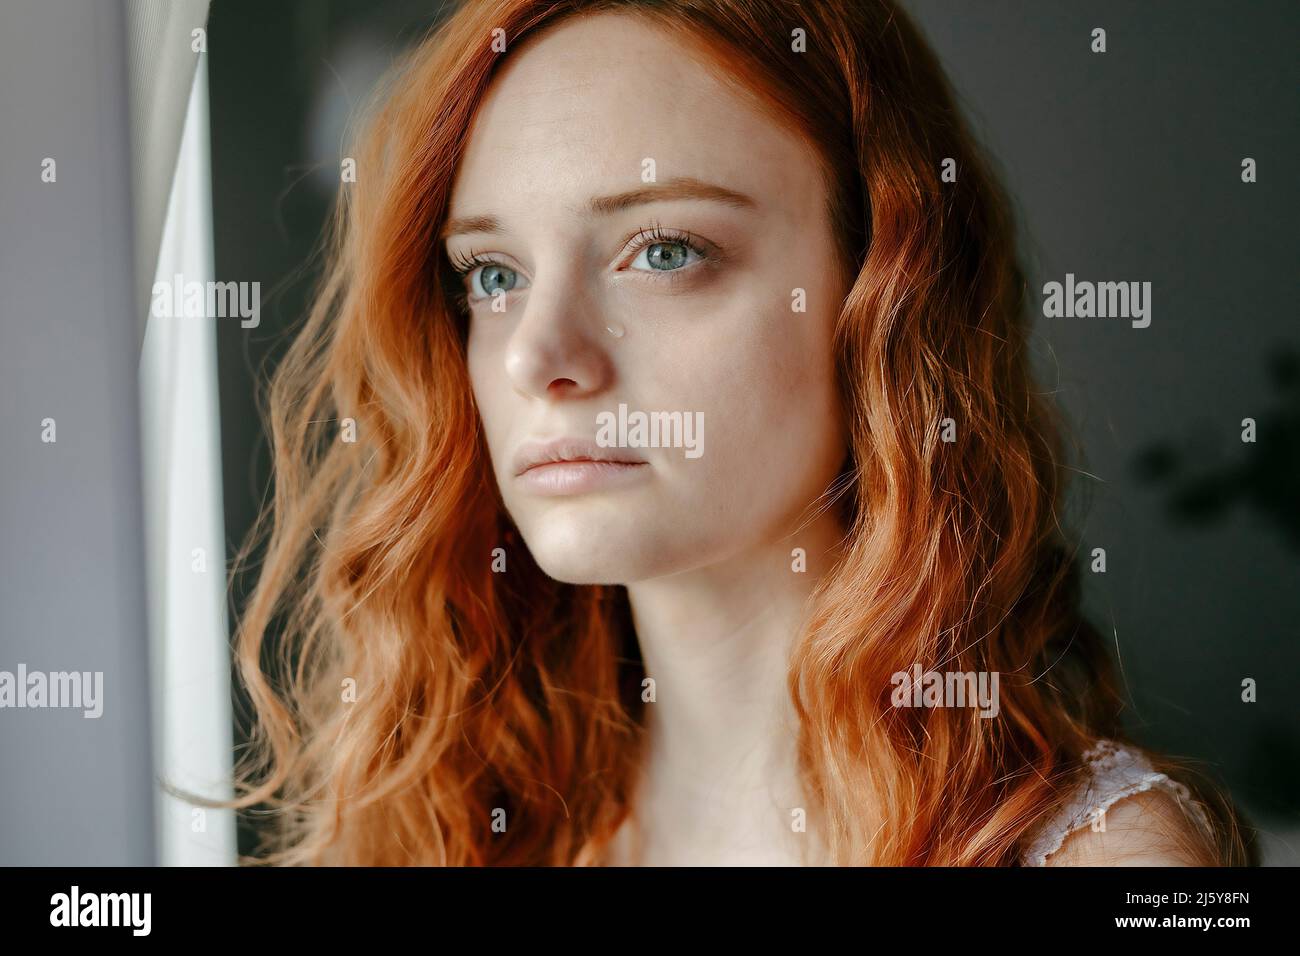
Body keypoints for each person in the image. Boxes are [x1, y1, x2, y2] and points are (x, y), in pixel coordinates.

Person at [210, 0, 1251, 866]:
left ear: (881, 290)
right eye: (494, 274)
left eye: (663, 250)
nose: (540, 356)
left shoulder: (1104, 857)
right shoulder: (462, 835)